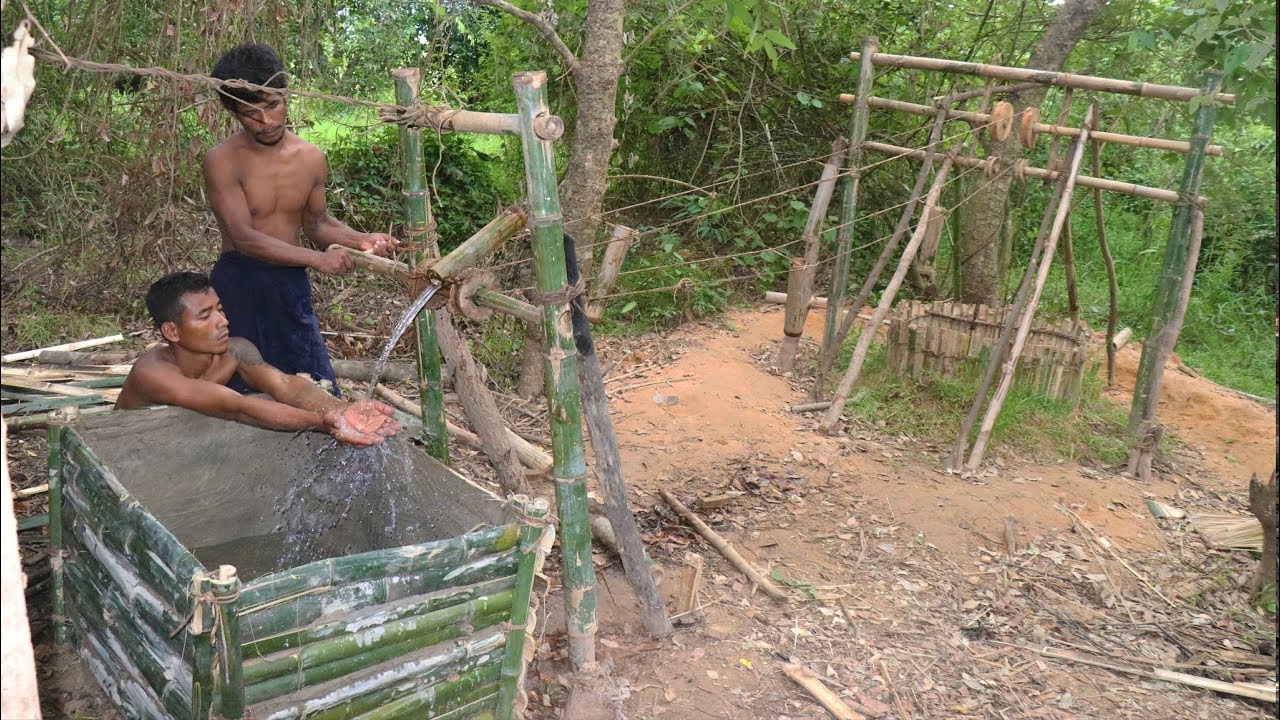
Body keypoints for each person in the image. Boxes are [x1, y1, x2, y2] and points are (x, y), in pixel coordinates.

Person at [205, 43, 398, 394]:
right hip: (239, 283)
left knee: (315, 385)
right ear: (233, 112)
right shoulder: (222, 160)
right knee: (238, 392)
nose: (266, 122)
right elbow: (243, 237)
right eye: (251, 114)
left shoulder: (310, 158)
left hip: (289, 285)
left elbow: (317, 223)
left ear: (285, 94)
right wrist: (317, 260)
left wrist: (360, 239)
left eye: (272, 106)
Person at [116, 272, 400, 447]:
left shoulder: (236, 349)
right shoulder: (152, 372)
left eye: (220, 309)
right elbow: (239, 408)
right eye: (205, 316)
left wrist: (339, 409)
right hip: (129, 449)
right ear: (171, 331)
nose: (222, 321)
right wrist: (327, 423)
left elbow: (285, 384)